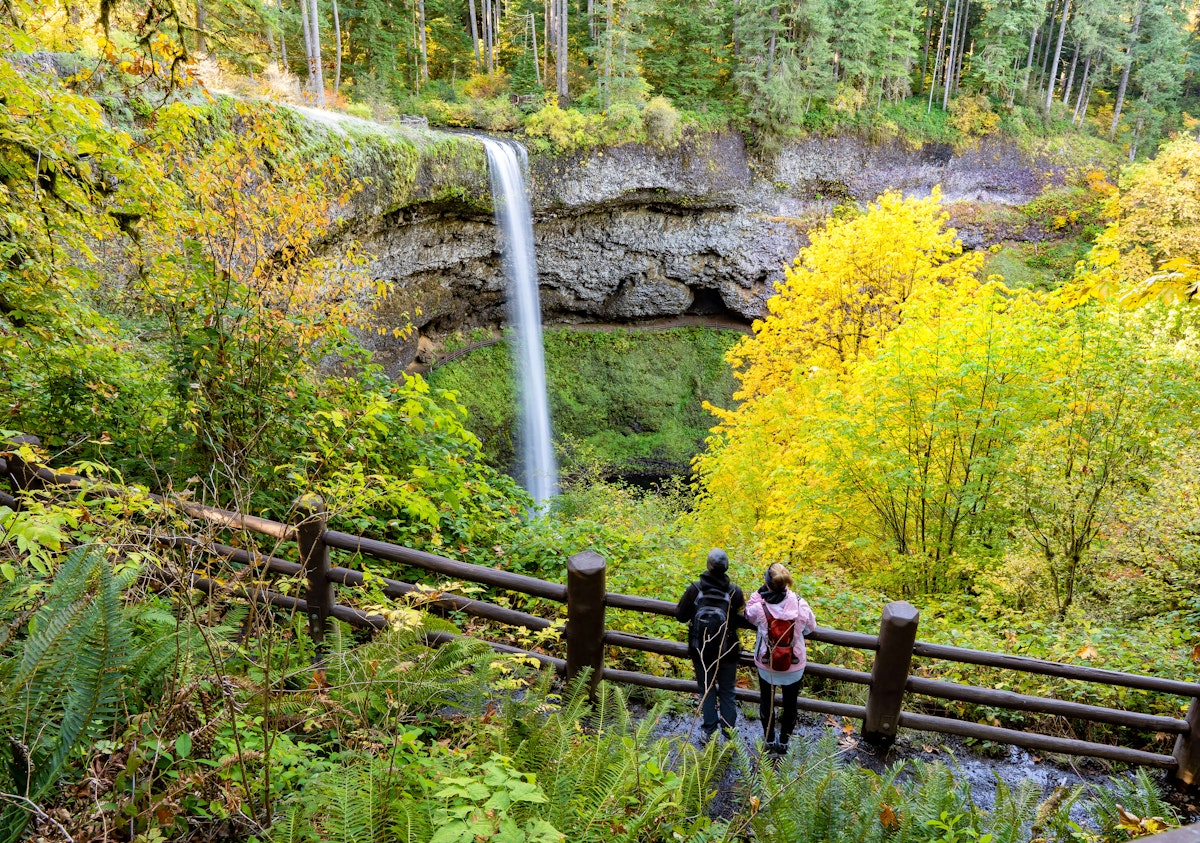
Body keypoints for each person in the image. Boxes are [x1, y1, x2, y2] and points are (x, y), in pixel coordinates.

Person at [677, 548, 753, 740]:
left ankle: (709, 732)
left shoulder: (695, 589)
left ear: (708, 565)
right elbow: (739, 615)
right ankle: (729, 733)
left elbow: (680, 615)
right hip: (727, 651)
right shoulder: (734, 592)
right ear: (726, 567)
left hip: (700, 651)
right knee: (727, 691)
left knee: (706, 690)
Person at [745, 563, 817, 754]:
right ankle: (784, 743)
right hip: (794, 664)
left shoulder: (760, 607)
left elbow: (747, 614)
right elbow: (811, 628)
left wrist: (758, 595)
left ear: (767, 584)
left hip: (766, 664)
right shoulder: (800, 604)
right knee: (790, 704)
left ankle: (768, 741)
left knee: (766, 702)